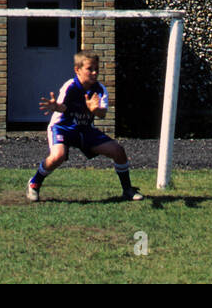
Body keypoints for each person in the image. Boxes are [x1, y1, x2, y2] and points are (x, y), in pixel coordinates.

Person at [26, 50, 143, 202]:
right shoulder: (70, 86)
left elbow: (102, 113)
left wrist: (95, 109)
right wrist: (55, 106)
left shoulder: (100, 89)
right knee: (58, 156)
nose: (94, 73)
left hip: (85, 130)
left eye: (97, 70)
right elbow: (63, 107)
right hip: (63, 127)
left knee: (118, 151)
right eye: (90, 69)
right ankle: (34, 183)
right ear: (77, 70)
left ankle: (127, 190)